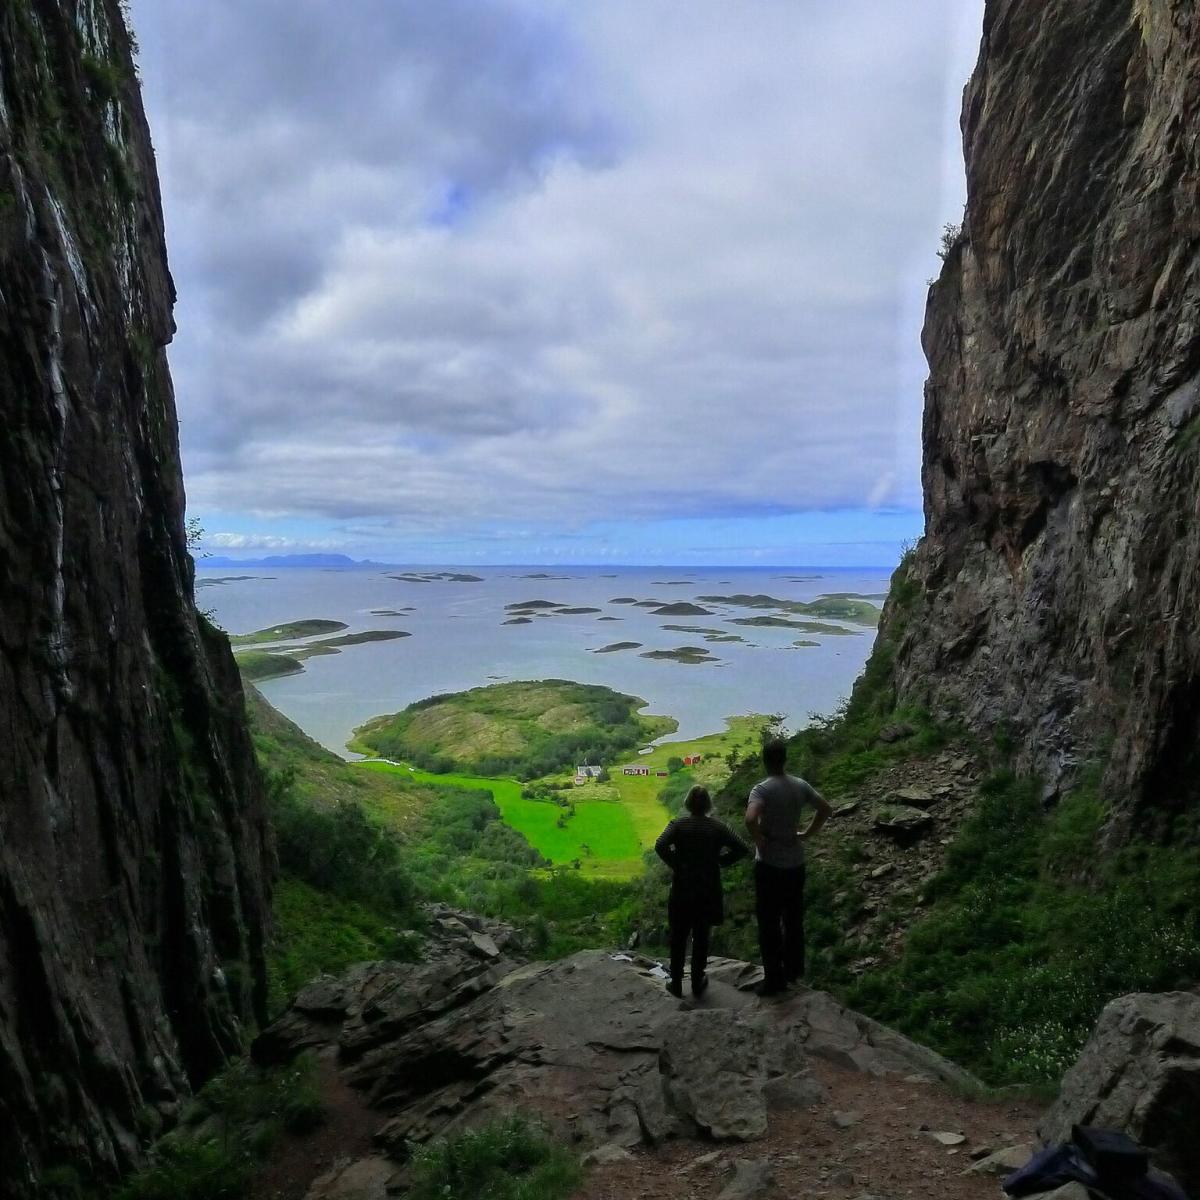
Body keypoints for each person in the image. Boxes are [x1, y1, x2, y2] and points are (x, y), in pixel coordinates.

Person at [745, 739, 832, 997]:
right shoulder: (800, 785)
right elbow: (825, 809)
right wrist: (806, 833)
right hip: (796, 863)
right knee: (793, 919)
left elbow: (750, 818)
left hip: (769, 865)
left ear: (765, 760)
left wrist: (760, 840)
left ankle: (774, 979)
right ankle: (793, 970)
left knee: (769, 922)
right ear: (784, 759)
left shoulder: (761, 789)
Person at [654, 785, 749, 998]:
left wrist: (676, 864)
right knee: (701, 935)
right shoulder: (717, 827)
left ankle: (676, 982)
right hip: (708, 888)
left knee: (678, 935)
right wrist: (720, 862)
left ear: (687, 803)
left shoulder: (678, 825)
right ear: (708, 804)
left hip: (682, 887)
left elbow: (660, 845)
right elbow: (742, 848)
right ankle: (697, 980)